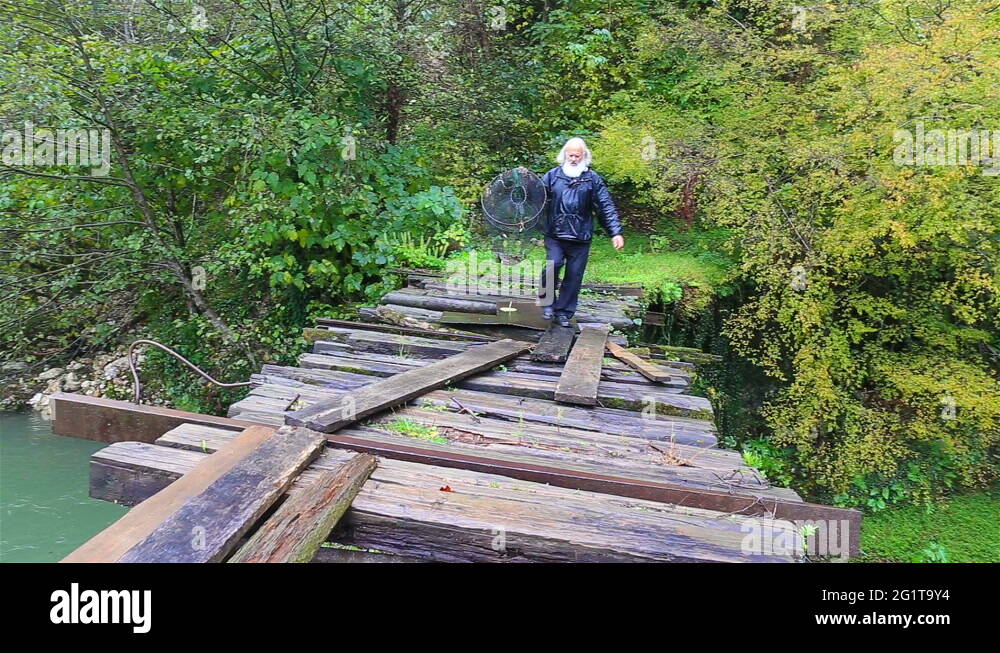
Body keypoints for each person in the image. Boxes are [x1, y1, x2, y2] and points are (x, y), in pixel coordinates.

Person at [538, 137, 625, 327]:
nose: (574, 158)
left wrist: (615, 232)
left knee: (574, 274)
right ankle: (547, 304)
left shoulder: (592, 179)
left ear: (584, 156)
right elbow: (537, 199)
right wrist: (525, 218)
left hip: (580, 236)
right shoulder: (552, 176)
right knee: (554, 264)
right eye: (571, 155)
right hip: (555, 234)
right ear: (564, 155)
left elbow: (605, 206)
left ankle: (563, 313)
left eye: (578, 155)